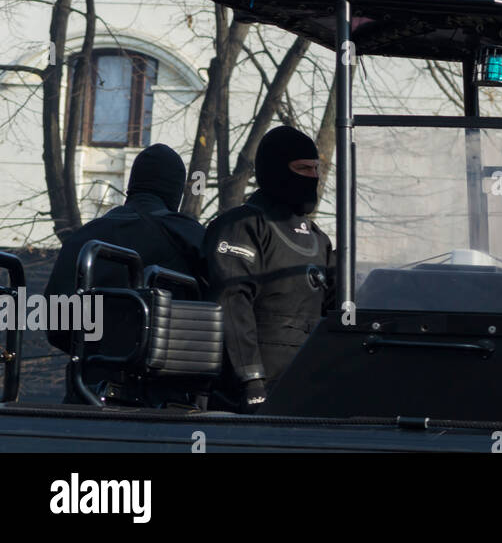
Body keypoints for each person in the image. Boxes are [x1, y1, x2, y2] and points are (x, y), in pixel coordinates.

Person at [44, 144, 205, 400]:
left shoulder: (84, 237)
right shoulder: (191, 238)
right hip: (167, 396)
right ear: (175, 189)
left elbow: (55, 323)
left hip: (88, 390)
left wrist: (97, 351)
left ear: (133, 183)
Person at [203, 125, 334, 413]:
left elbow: (336, 310)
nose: (313, 176)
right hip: (251, 392)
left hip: (306, 386)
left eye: (316, 168)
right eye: (303, 168)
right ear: (276, 170)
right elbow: (232, 303)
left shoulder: (319, 240)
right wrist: (250, 381)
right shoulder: (241, 227)